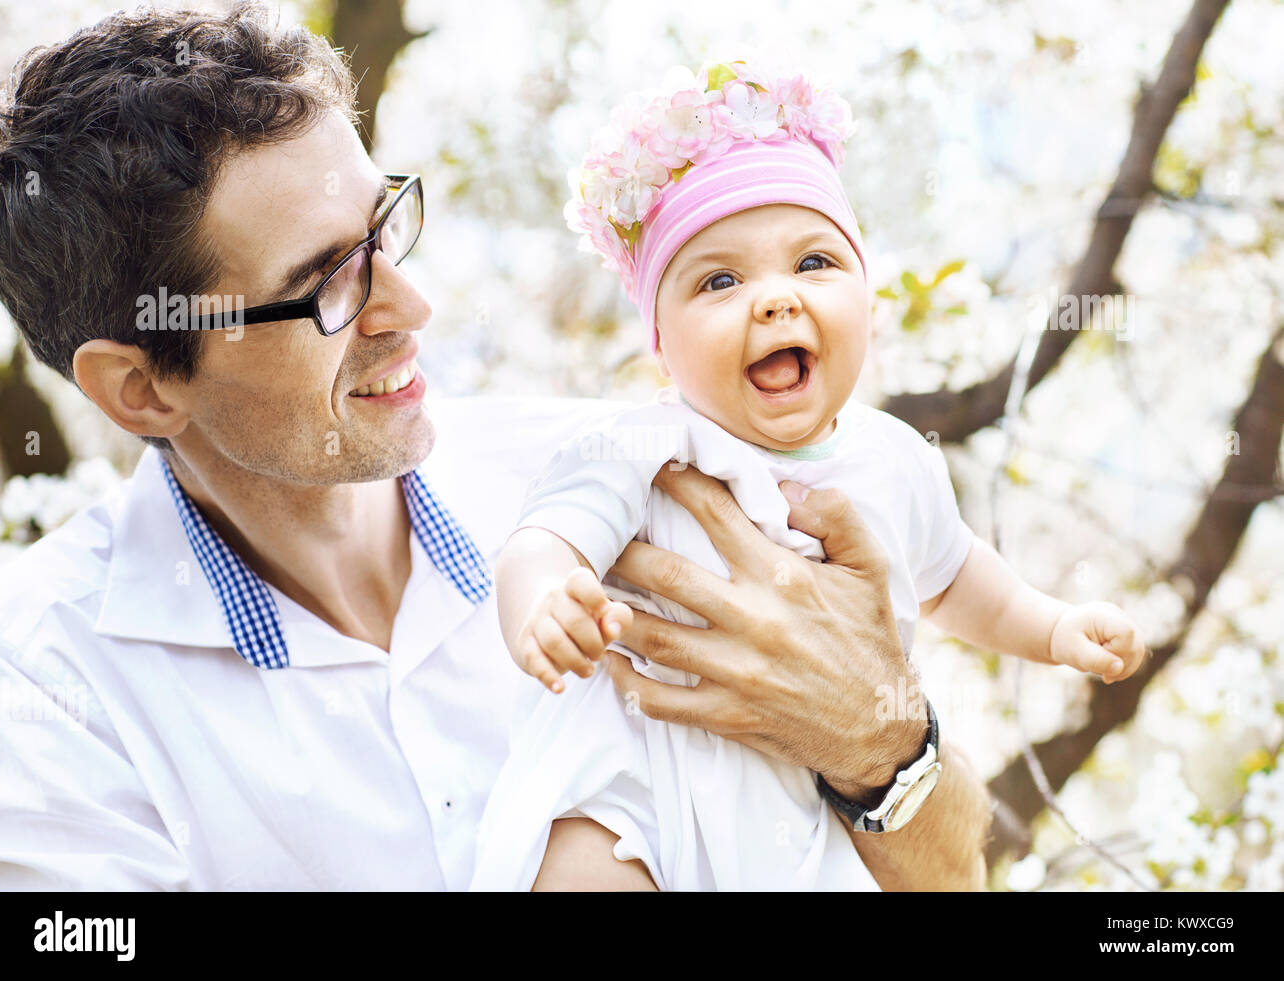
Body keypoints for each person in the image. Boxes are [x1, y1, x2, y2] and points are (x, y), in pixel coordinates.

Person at [0, 4, 989, 890]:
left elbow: (951, 878)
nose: (411, 306)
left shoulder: (622, 479)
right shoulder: (39, 690)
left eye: (385, 228)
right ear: (142, 387)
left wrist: (885, 748)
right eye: (330, 282)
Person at [478, 60, 1147, 890]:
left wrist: (1050, 626)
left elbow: (959, 576)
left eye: (815, 263)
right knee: (580, 858)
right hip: (639, 771)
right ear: (660, 342)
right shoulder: (639, 446)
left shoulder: (897, 457)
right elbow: (542, 540)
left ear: (869, 296)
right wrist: (544, 602)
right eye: (719, 280)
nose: (774, 299)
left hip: (804, 798)